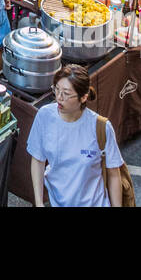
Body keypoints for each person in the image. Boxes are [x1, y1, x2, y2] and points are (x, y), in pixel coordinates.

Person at [27, 64, 124, 207]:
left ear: (83, 97)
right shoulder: (44, 116)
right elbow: (38, 159)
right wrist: (39, 201)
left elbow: (114, 174)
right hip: (56, 202)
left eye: (66, 93)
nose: (59, 98)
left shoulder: (101, 127)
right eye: (56, 90)